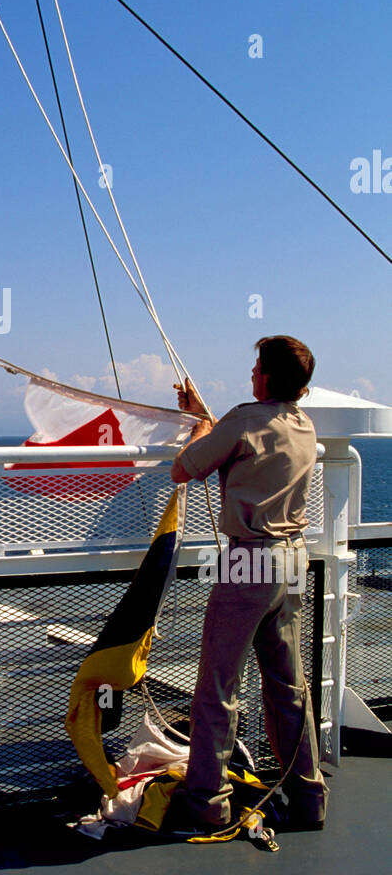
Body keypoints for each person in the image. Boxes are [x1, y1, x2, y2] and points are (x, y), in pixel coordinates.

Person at [166, 335, 328, 834]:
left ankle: (208, 802)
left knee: (217, 686)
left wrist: (202, 426)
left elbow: (183, 468)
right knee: (287, 685)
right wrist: (210, 420)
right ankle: (308, 796)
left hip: (249, 564)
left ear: (268, 377)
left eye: (257, 367)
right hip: (292, 561)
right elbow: (255, 435)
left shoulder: (242, 420)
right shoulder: (303, 425)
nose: (251, 374)